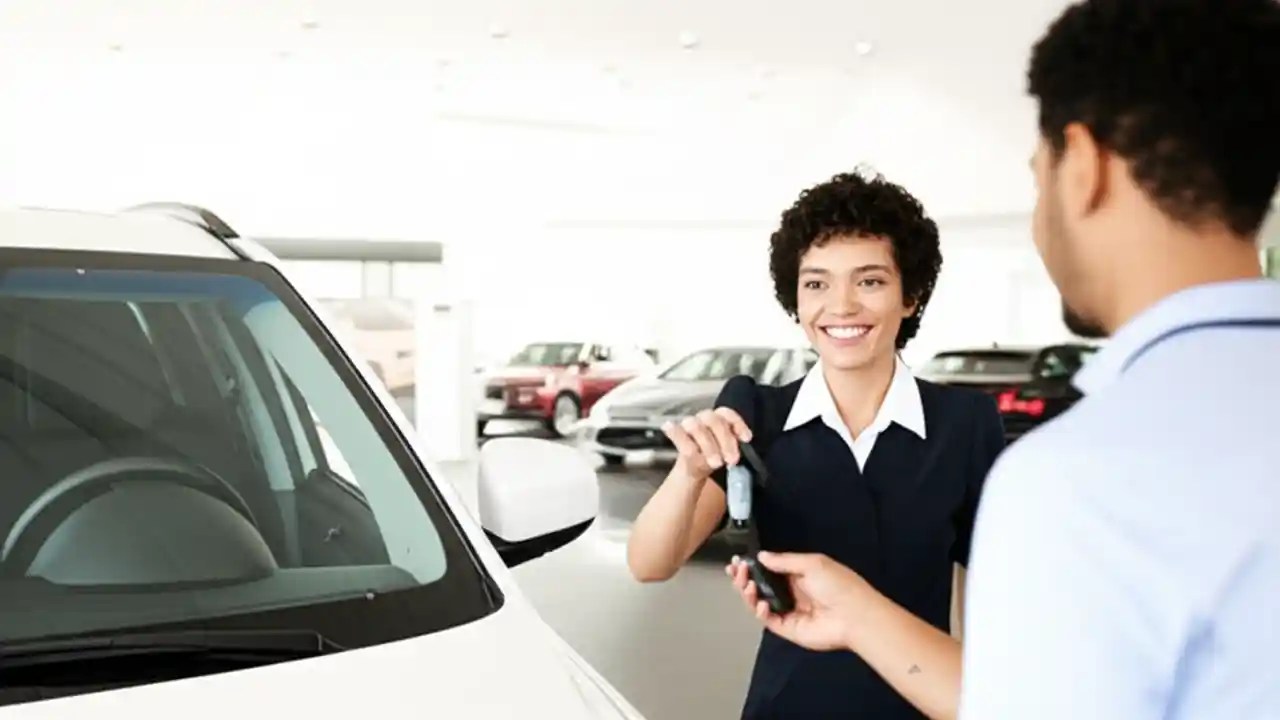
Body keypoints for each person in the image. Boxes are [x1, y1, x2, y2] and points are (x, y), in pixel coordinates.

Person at [729, 0, 1280, 718]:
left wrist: (858, 618)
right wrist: (859, 615)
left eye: (1038, 176)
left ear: (1084, 167)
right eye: (818, 283)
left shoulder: (1073, 479)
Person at [626, 169, 1007, 718]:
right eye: (817, 284)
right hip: (788, 706)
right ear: (796, 299)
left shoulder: (963, 425)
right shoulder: (756, 414)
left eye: (869, 281)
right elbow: (650, 563)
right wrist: (687, 474)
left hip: (918, 704)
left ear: (911, 296)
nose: (841, 306)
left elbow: (985, 603)